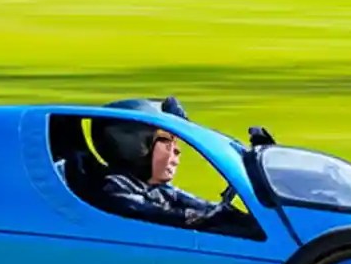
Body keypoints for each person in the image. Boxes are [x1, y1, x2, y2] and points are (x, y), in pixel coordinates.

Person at [91, 97, 246, 232]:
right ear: (134, 145)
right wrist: (203, 217)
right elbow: (157, 214)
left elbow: (202, 206)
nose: (177, 150)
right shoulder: (114, 188)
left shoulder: (155, 188)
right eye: (166, 141)